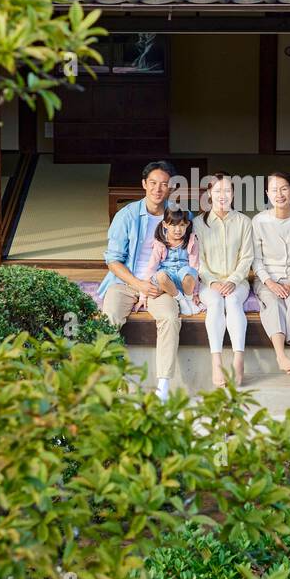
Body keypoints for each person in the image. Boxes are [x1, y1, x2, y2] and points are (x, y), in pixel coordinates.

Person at [98, 160, 188, 399]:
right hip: (126, 281)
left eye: (164, 184)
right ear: (144, 185)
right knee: (109, 319)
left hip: (161, 284)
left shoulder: (179, 216)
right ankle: (112, 383)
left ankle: (163, 387)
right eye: (153, 183)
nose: (158, 189)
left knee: (170, 317)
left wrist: (155, 286)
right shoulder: (126, 215)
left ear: (171, 188)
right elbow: (113, 260)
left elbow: (186, 256)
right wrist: (138, 286)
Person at [192, 172, 254, 387]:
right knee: (216, 302)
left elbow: (247, 257)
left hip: (238, 282)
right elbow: (197, 260)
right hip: (209, 282)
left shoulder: (244, 222)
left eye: (227, 190)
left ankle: (238, 359)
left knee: (233, 301)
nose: (222, 195)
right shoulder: (199, 223)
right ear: (209, 193)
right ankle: (216, 361)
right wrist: (212, 282)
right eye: (217, 190)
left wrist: (234, 280)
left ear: (234, 193)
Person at [251, 171, 290, 374]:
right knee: (272, 301)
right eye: (274, 190)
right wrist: (270, 283)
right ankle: (280, 355)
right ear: (267, 194)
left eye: (284, 188)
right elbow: (256, 260)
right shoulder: (259, 221)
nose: (279, 194)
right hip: (267, 278)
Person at [144, 206, 201, 317]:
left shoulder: (191, 241)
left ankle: (188, 299)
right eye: (173, 225)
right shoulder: (160, 243)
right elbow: (151, 267)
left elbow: (195, 266)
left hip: (183, 279)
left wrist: (195, 293)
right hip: (167, 279)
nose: (178, 230)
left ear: (187, 224)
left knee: (189, 272)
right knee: (160, 276)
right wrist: (143, 295)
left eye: (182, 225)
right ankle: (181, 300)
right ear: (165, 225)